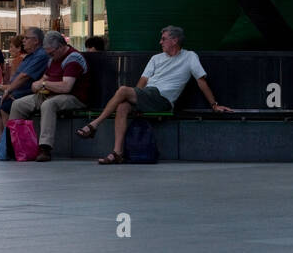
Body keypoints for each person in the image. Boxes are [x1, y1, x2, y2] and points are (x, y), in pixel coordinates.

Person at [76, 25, 231, 165]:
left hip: (163, 98)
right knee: (123, 106)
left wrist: (214, 105)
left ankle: (94, 124)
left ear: (175, 40)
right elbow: (142, 82)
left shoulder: (189, 56)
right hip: (148, 94)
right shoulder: (156, 58)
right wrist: (136, 100)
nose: (160, 42)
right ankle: (117, 152)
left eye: (164, 39)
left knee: (123, 90)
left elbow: (201, 81)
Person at [7, 31, 89, 161]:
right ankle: (13, 144)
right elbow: (43, 79)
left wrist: (43, 84)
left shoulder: (73, 58)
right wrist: (36, 85)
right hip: (50, 94)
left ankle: (45, 147)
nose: (50, 56)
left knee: (48, 105)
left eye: (52, 53)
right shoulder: (52, 59)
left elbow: (66, 87)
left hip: (73, 97)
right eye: (48, 53)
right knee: (18, 104)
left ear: (61, 47)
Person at [0, 27, 48, 157]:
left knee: (1, 104)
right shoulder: (30, 56)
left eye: (27, 38)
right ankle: (0, 143)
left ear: (36, 41)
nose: (24, 41)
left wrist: (8, 89)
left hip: (25, 91)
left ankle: (6, 145)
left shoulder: (40, 55)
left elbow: (24, 77)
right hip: (17, 90)